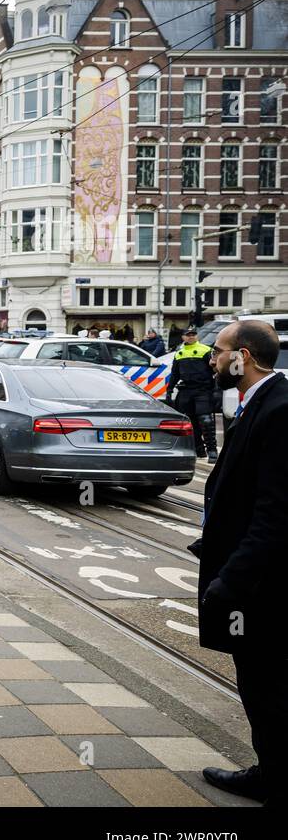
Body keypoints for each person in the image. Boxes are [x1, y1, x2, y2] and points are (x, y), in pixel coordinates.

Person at [195, 319, 288, 806]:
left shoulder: (279, 410)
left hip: (262, 586)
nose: (212, 359)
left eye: (219, 351)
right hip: (253, 573)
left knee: (264, 680)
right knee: (263, 679)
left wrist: (231, 579)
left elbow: (276, 512)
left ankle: (271, 778)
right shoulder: (260, 403)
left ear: (243, 357)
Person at [166, 326, 220, 463]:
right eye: (188, 334)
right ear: (183, 337)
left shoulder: (206, 350)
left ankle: (212, 451)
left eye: (193, 334)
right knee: (188, 423)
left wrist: (216, 390)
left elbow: (216, 369)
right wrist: (169, 390)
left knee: (206, 420)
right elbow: (175, 374)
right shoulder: (179, 353)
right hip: (186, 391)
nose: (191, 337)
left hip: (203, 390)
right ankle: (198, 449)